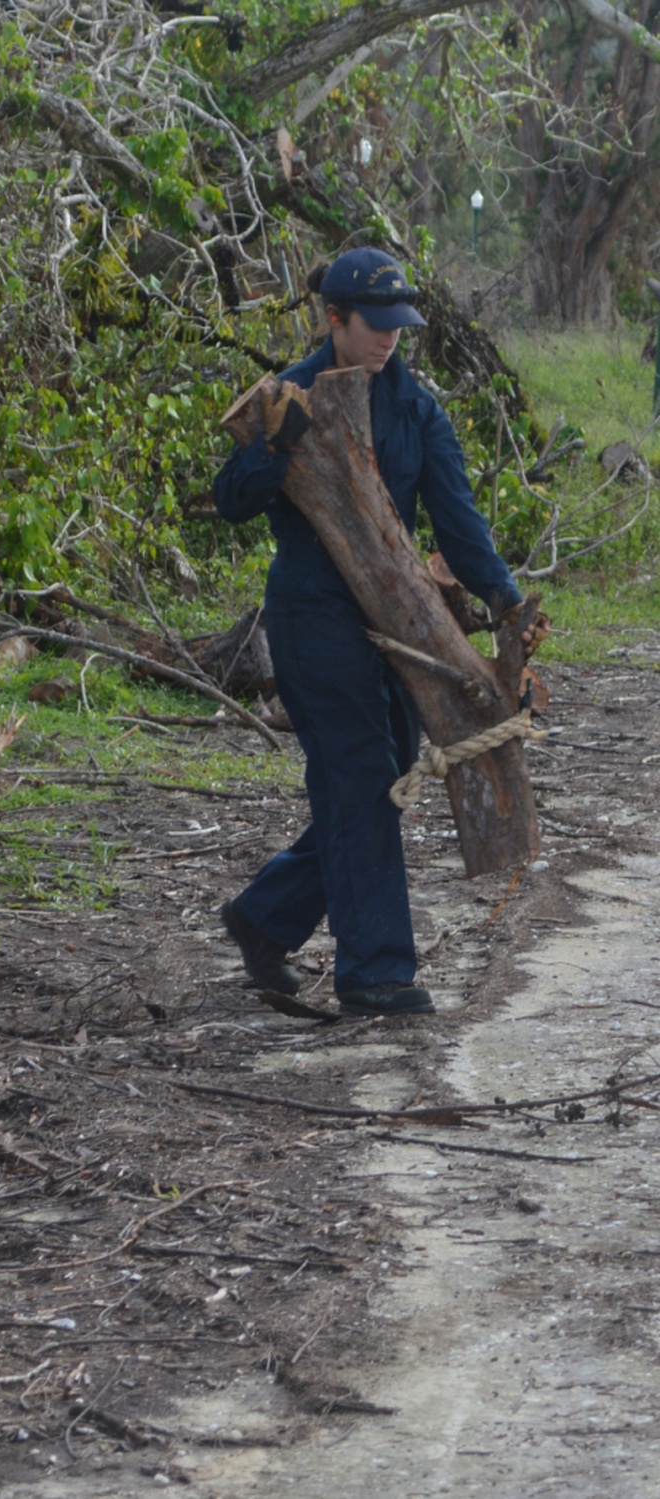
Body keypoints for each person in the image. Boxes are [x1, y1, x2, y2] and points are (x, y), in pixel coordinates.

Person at [214, 246, 543, 1018]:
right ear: (334, 319)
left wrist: (506, 601)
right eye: (375, 325)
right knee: (361, 776)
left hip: (392, 618)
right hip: (310, 614)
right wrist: (280, 442)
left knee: (380, 774)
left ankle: (263, 917)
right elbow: (230, 498)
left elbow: (458, 523)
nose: (390, 339)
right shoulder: (288, 392)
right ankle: (377, 973)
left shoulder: (417, 409)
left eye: (400, 324)